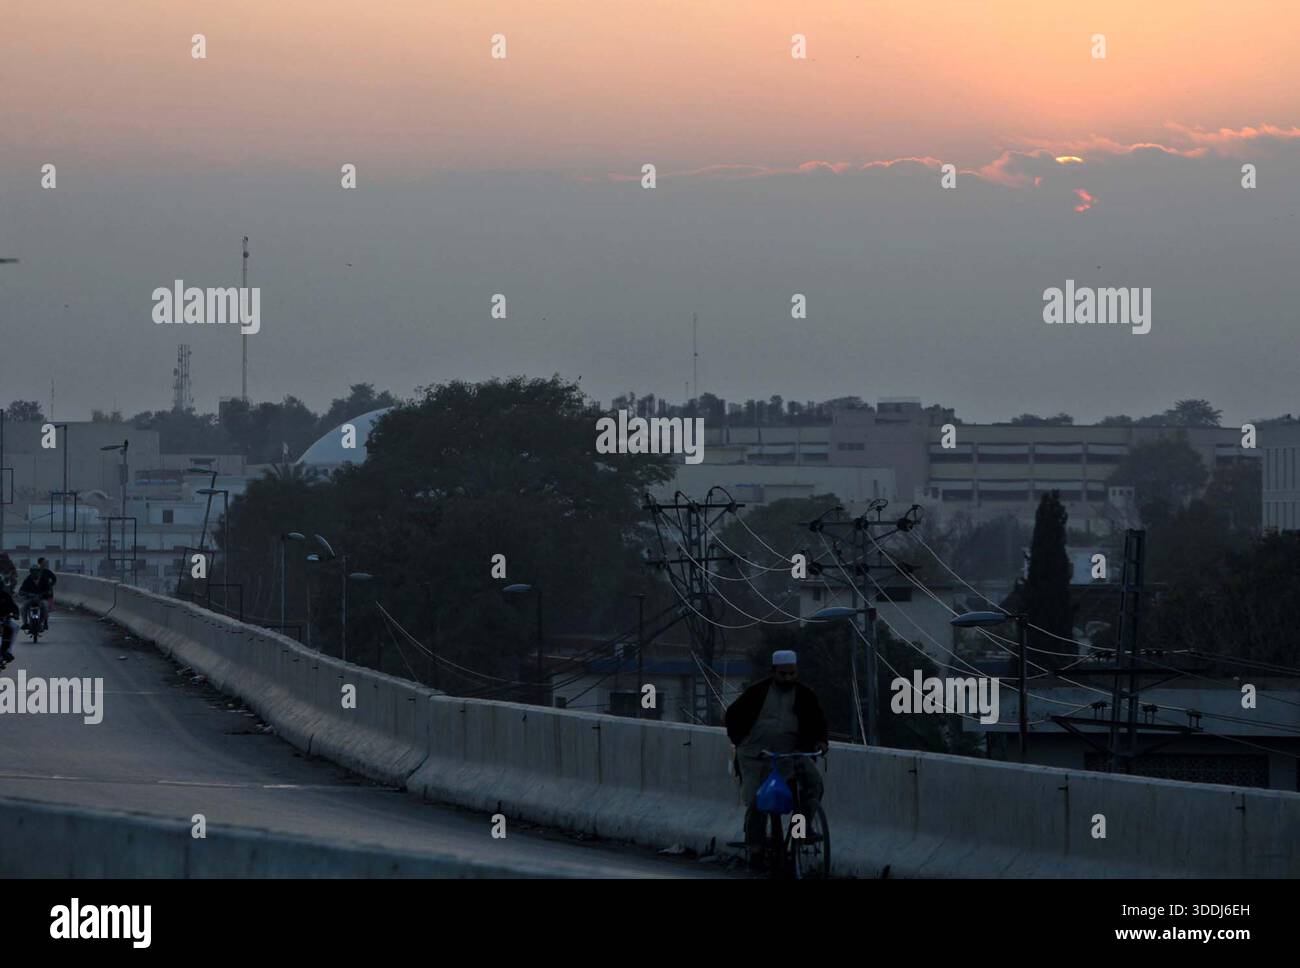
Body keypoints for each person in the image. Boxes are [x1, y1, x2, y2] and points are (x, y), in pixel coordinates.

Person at [724, 649, 829, 863]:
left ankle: (802, 830)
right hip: (756, 754)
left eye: (792, 674)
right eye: (783, 674)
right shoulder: (757, 692)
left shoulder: (805, 695)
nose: (788, 678)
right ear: (773, 672)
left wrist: (821, 741)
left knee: (813, 785)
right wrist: (742, 742)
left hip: (790, 753)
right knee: (757, 799)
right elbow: (732, 716)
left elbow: (818, 720)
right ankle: (756, 846)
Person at [0, 579, 19, 664]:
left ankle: (9, 651)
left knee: (15, 627)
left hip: (5, 619)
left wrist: (15, 614)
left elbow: (13, 606)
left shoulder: (6, 596)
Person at [35, 557, 56, 630]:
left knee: (45, 608)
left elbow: (54, 578)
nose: (45, 564)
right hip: (36, 593)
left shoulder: (47, 572)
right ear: (40, 563)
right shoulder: (35, 571)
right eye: (43, 562)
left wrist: (51, 584)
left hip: (45, 593)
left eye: (45, 562)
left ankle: (45, 623)